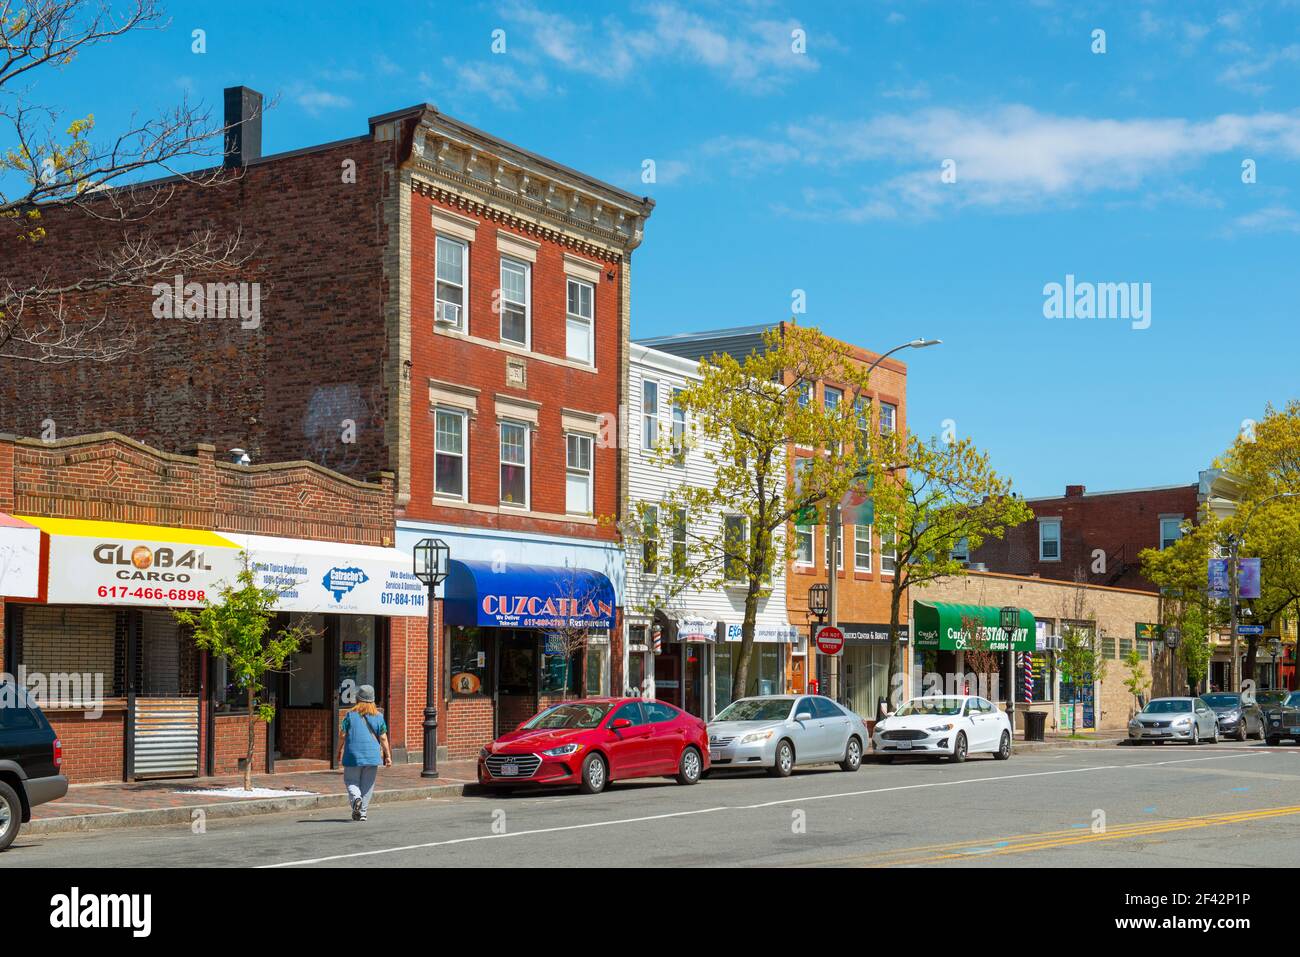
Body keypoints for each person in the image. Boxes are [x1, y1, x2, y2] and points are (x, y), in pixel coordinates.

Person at [337, 685, 391, 821]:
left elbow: (342, 735)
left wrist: (338, 750)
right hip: (373, 756)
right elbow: (383, 737)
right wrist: (388, 756)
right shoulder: (379, 716)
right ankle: (363, 813)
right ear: (372, 700)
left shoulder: (349, 715)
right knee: (368, 785)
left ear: (357, 699)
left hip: (353, 755)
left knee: (351, 781)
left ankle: (356, 798)